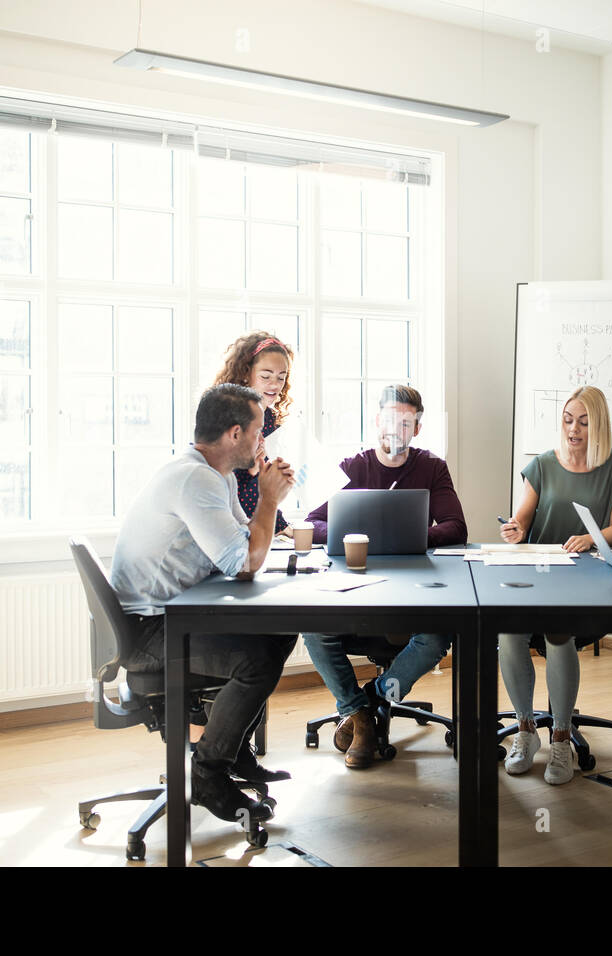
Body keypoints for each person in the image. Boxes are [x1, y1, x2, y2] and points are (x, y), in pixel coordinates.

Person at [109, 383, 298, 824]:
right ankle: (210, 772)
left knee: (280, 630)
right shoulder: (195, 479)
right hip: (148, 631)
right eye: (256, 432)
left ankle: (233, 755)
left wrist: (264, 503)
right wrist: (269, 498)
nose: (261, 442)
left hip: (167, 615)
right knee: (255, 659)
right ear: (234, 434)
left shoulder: (216, 475)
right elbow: (244, 562)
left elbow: (240, 541)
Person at [301, 384, 468, 769]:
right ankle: (358, 714)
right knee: (314, 629)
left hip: (413, 584)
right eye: (390, 419)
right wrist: (356, 533)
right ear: (377, 421)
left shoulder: (431, 467)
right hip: (354, 583)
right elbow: (312, 522)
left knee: (435, 637)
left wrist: (409, 535)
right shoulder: (352, 466)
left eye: (406, 422)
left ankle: (371, 701)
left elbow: (456, 527)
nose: (397, 428)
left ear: (417, 428)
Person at [498, 385, 612, 784]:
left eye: (584, 422)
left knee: (559, 635)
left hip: (587, 578)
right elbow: (522, 517)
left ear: (599, 426)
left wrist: (591, 538)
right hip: (539, 574)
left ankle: (560, 738)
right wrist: (515, 528)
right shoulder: (541, 465)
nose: (574, 429)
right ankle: (526, 731)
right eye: (568, 420)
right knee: (508, 633)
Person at [212, 331, 296, 536]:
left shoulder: (272, 419)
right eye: (265, 376)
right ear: (245, 373)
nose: (275, 385)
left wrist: (281, 524)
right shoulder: (223, 417)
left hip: (256, 519)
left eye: (281, 378)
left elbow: (260, 484)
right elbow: (223, 489)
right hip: (225, 523)